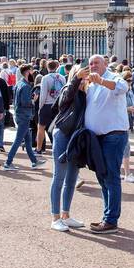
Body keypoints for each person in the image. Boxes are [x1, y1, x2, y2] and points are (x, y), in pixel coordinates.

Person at [82, 55, 129, 233]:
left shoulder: (112, 77)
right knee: (102, 176)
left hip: (113, 135)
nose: (92, 66)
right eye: (91, 63)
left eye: (96, 63)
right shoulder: (91, 83)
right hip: (97, 137)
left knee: (111, 176)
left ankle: (111, 219)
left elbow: (123, 87)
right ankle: (107, 216)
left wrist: (101, 81)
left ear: (105, 64)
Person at [49, 67, 88, 231]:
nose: (85, 79)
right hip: (63, 135)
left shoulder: (84, 93)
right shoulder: (68, 88)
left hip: (76, 138)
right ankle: (55, 217)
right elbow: (65, 98)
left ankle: (66, 215)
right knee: (59, 177)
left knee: (72, 179)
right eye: (83, 76)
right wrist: (76, 79)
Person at [3, 65, 45, 170]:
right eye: (30, 71)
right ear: (27, 72)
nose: (32, 73)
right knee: (18, 140)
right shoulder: (25, 86)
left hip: (21, 114)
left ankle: (34, 161)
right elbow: (25, 102)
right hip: (24, 115)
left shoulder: (19, 83)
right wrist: (33, 100)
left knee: (28, 140)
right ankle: (8, 162)